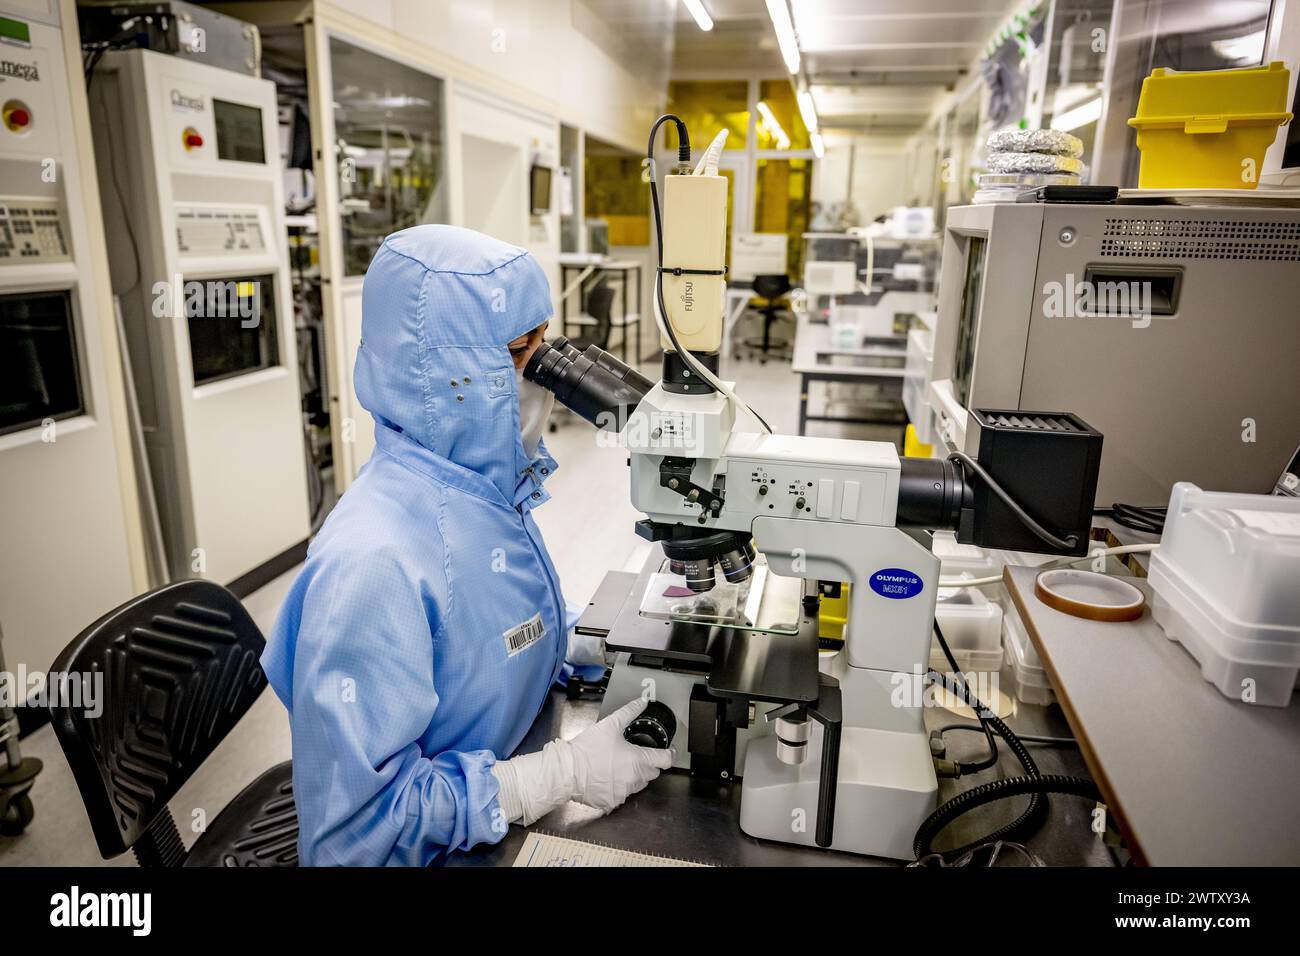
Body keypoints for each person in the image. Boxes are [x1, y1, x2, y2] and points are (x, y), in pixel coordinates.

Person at [261, 224, 671, 866]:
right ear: (439, 372)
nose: (540, 375)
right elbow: (350, 840)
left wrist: (585, 641)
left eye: (544, 345)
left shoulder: (477, 490)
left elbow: (486, 638)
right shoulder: (374, 565)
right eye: (516, 353)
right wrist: (552, 779)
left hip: (505, 782)